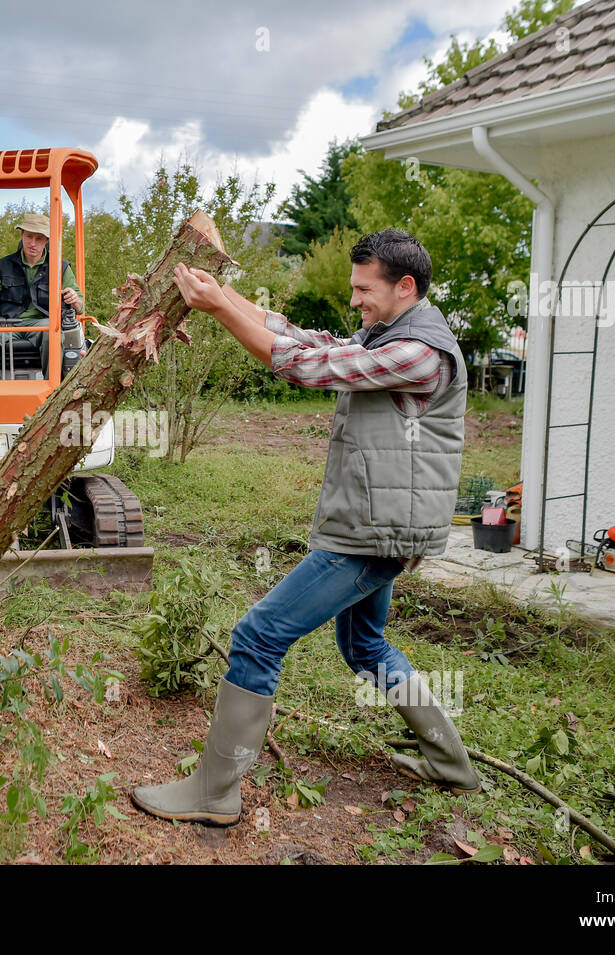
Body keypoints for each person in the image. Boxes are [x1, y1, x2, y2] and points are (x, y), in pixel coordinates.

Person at [130, 228, 481, 827]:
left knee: (260, 635)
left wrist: (218, 311)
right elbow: (308, 338)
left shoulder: (421, 353)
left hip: (373, 536)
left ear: (404, 286)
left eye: (363, 290)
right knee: (363, 645)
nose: (354, 301)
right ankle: (451, 764)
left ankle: (216, 793)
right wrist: (227, 296)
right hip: (378, 525)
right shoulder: (392, 332)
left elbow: (310, 366)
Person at [0, 212, 83, 379]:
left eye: (39, 238)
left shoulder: (60, 267)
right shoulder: (4, 264)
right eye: (29, 237)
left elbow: (80, 306)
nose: (33, 243)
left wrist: (74, 300)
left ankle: (53, 390)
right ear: (22, 235)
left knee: (53, 333)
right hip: (8, 323)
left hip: (42, 323)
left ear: (47, 241)